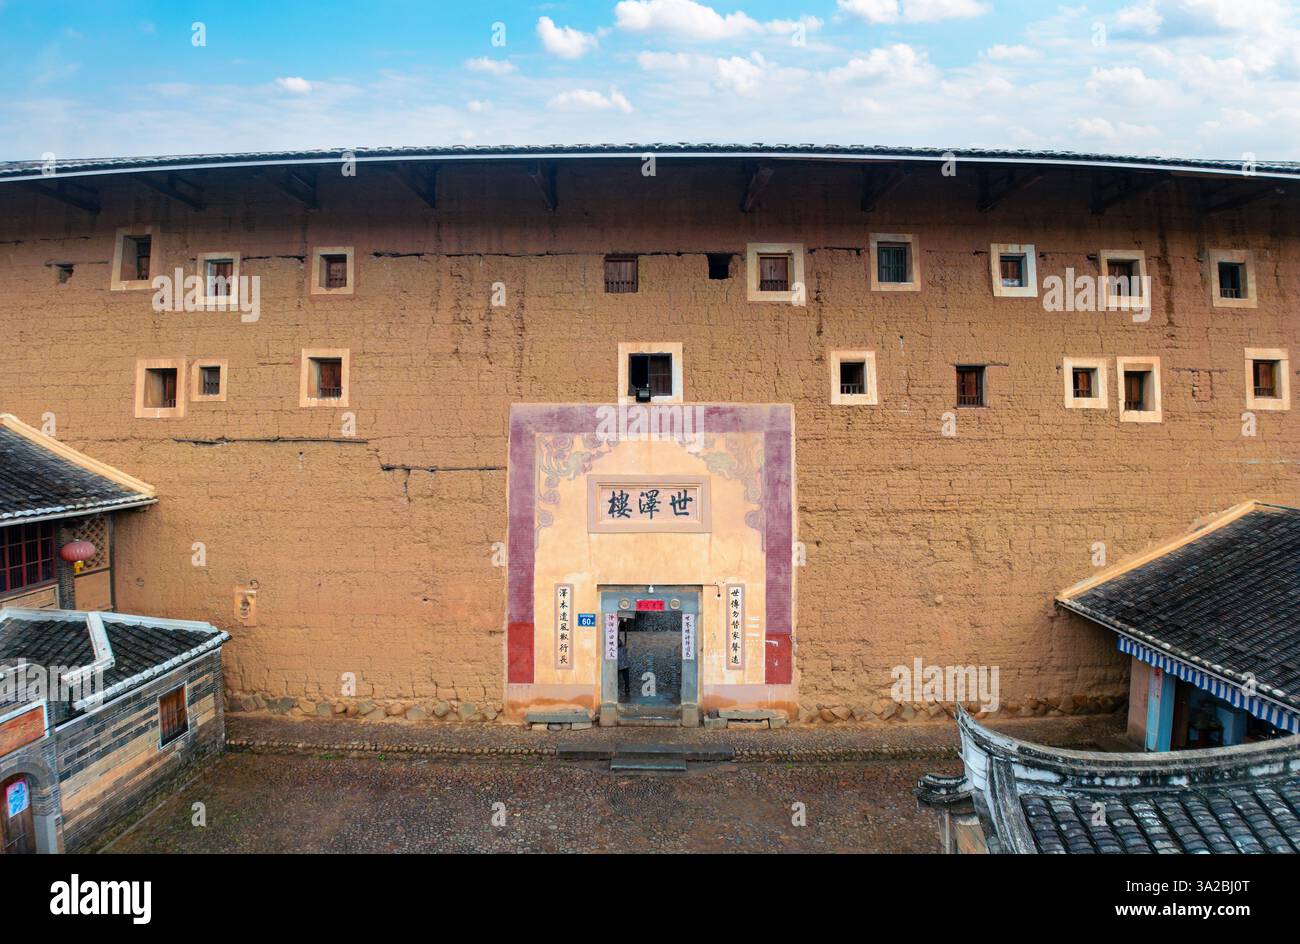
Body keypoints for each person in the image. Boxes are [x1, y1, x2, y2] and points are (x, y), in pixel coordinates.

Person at [617, 629, 630, 700]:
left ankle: (619, 689)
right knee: (626, 679)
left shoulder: (616, 648)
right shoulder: (624, 647)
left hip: (619, 666)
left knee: (618, 679)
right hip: (625, 665)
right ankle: (627, 689)